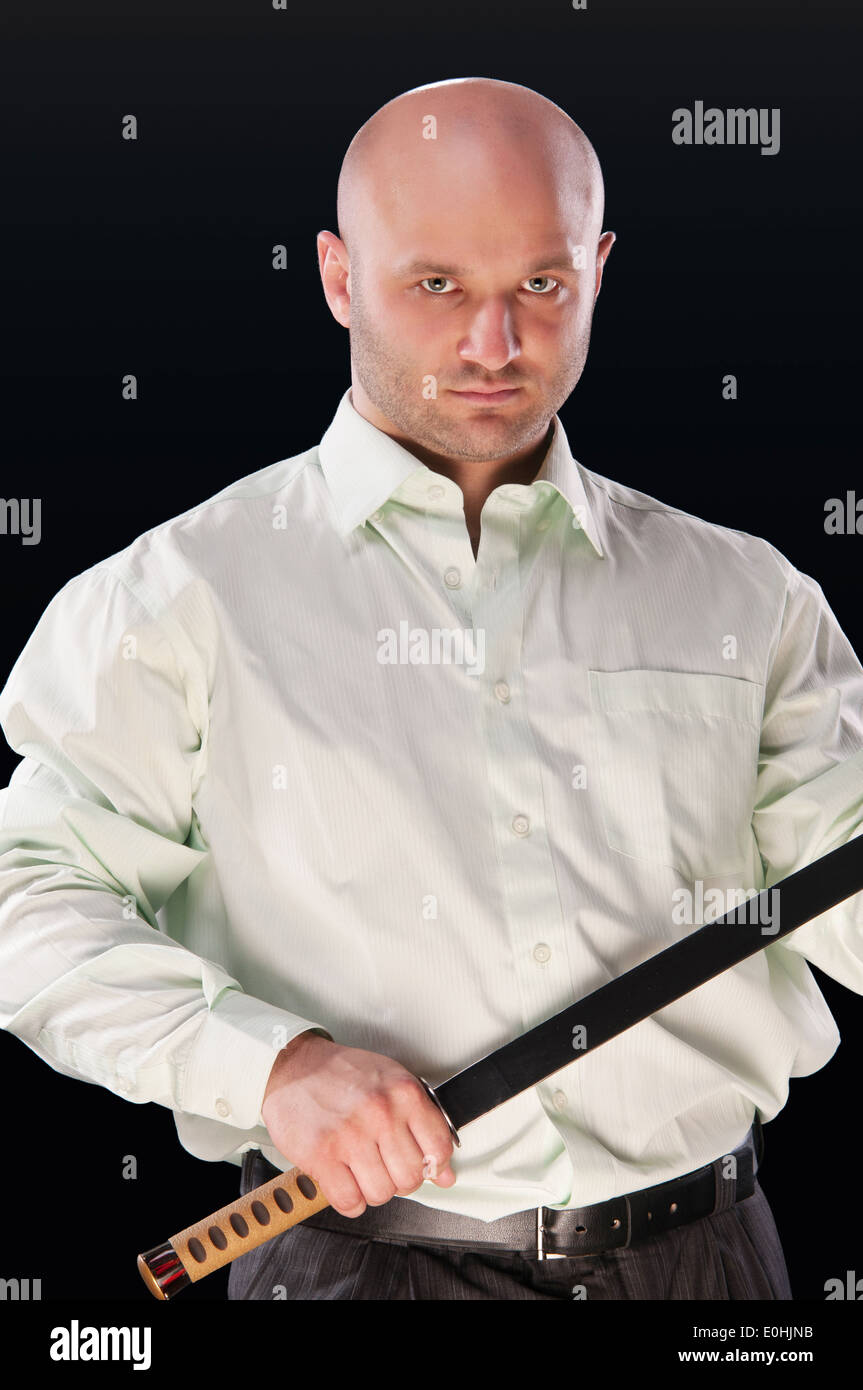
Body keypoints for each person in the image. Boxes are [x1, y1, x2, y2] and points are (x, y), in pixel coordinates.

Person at [1, 76, 862, 1303]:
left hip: (711, 1270)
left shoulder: (747, 596)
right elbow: (27, 896)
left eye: (540, 287)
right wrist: (274, 1067)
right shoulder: (180, 594)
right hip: (355, 1272)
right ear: (339, 276)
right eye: (437, 285)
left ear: (599, 269)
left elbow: (839, 873)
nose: (491, 345)